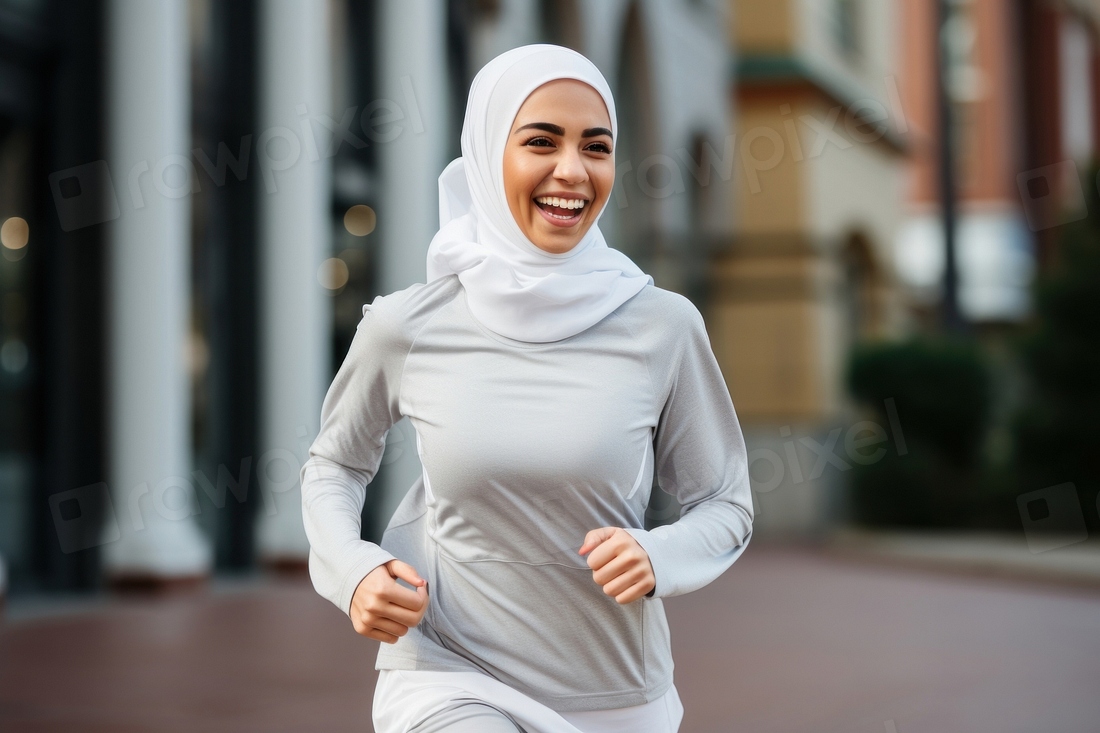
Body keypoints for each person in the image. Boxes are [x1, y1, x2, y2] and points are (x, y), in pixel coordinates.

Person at [300, 44, 754, 733]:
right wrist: (353, 568)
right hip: (448, 673)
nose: (571, 171)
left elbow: (724, 501)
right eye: (541, 141)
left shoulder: (664, 325)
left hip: (616, 693)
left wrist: (659, 552)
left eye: (595, 148)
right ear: (487, 153)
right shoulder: (407, 324)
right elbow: (334, 463)